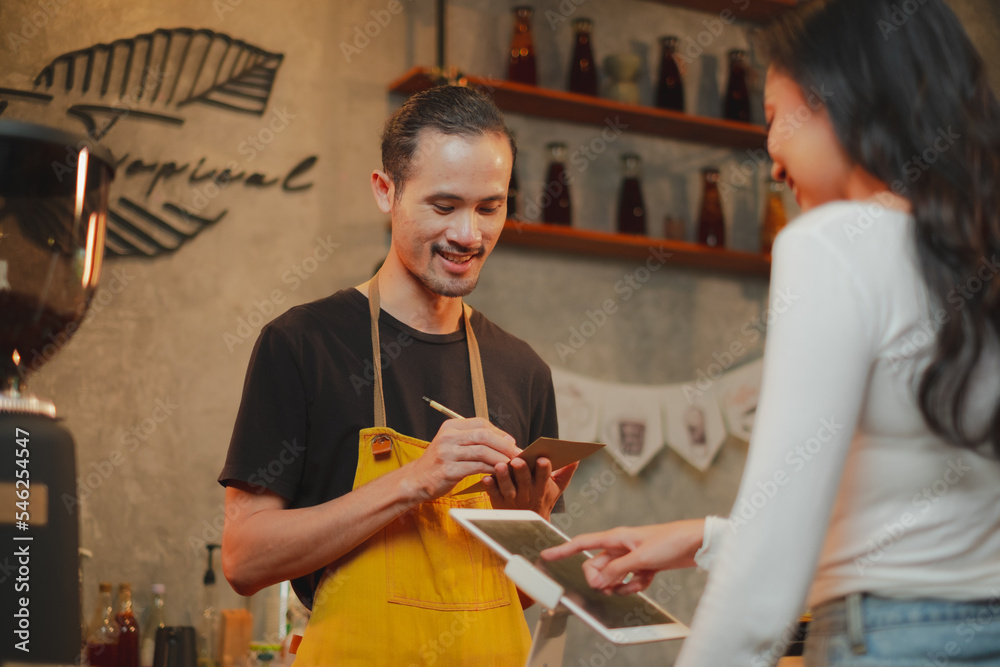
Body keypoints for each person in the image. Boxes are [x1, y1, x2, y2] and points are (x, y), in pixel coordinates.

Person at [542, 0, 1000, 664]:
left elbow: (772, 563)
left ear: (840, 101)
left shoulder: (835, 242)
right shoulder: (976, 261)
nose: (773, 161)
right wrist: (703, 536)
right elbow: (915, 518)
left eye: (773, 119)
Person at [218, 84, 576, 666]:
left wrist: (530, 523)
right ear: (386, 191)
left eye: (490, 207)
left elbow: (519, 595)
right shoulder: (303, 345)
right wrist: (417, 480)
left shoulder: (524, 370)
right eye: (444, 206)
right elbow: (244, 560)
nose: (469, 234)